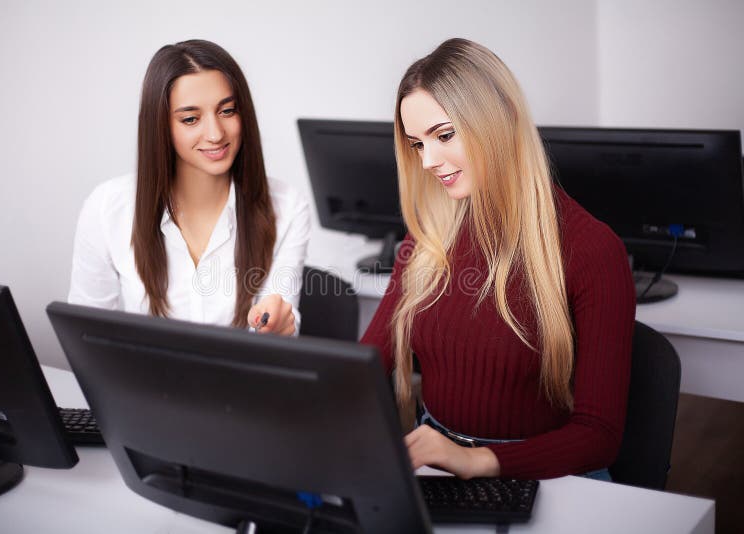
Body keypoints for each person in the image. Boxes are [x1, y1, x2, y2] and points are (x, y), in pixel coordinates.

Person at [361, 38, 635, 480]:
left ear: (502, 118)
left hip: (540, 472)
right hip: (436, 461)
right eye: (416, 144)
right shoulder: (430, 234)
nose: (428, 161)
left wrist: (475, 461)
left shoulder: (592, 250)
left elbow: (599, 435)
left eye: (444, 135)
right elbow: (370, 360)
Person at [68, 40, 309, 335]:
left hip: (241, 381)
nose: (215, 133)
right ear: (160, 126)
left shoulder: (287, 206)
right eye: (191, 119)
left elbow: (281, 319)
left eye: (228, 111)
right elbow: (86, 333)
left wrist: (281, 326)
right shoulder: (107, 208)